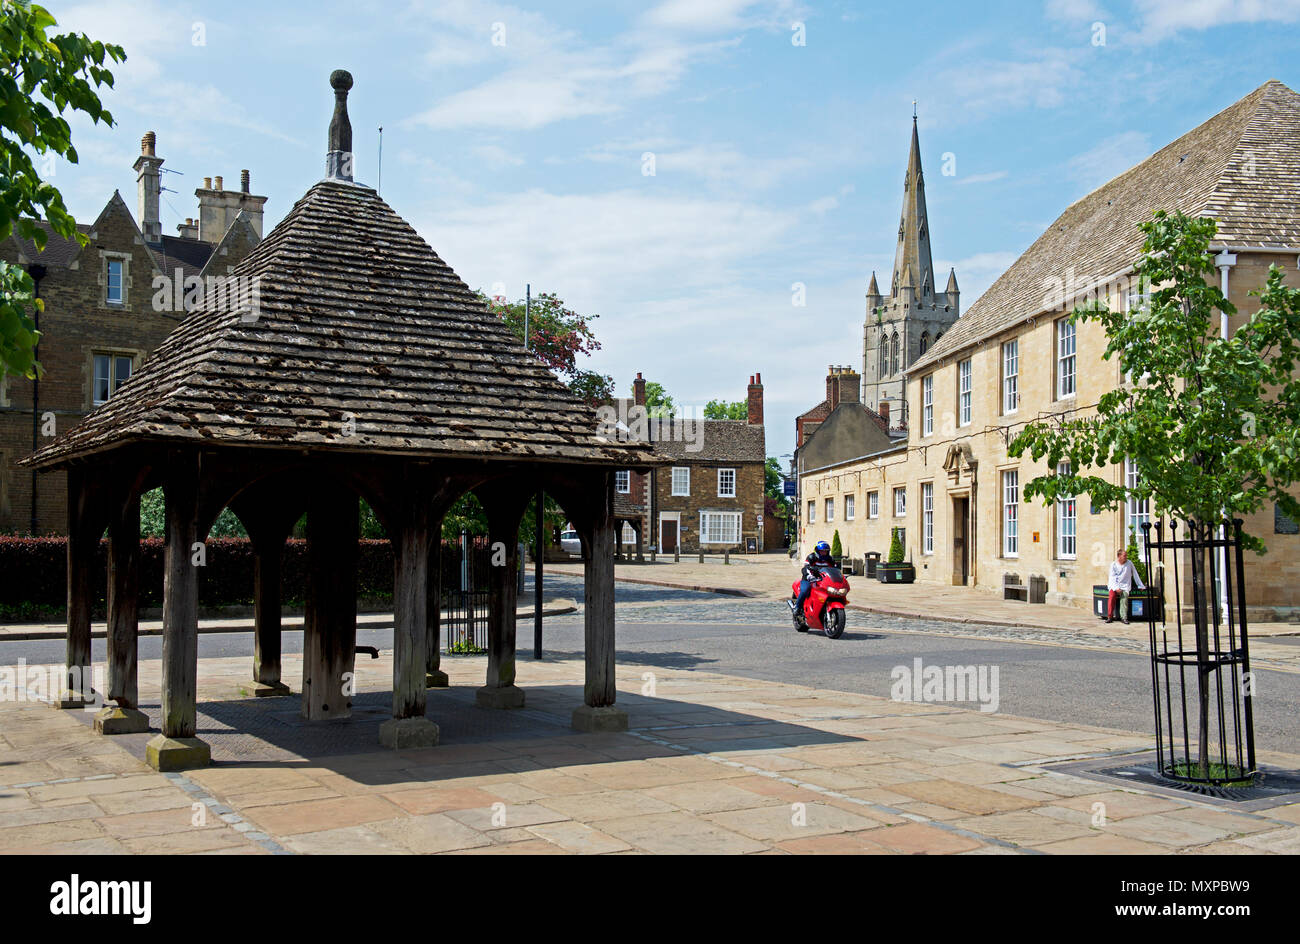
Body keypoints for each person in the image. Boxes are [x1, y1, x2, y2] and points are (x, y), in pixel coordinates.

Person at [791, 540, 834, 615]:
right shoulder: (811, 557)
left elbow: (835, 569)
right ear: (817, 551)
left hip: (823, 580)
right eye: (822, 551)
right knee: (805, 590)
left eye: (825, 551)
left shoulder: (830, 559)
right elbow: (805, 568)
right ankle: (797, 607)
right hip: (809, 579)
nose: (824, 553)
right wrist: (809, 576)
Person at [1106, 547, 1146, 624]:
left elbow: (1135, 574)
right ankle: (1110, 616)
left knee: (1124, 599)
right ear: (1119, 556)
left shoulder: (1129, 563)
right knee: (1111, 597)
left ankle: (1123, 617)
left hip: (1125, 585)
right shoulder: (1113, 565)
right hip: (1114, 585)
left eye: (1126, 556)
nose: (1126, 557)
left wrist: (1140, 585)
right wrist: (1116, 588)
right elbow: (1112, 578)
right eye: (1124, 556)